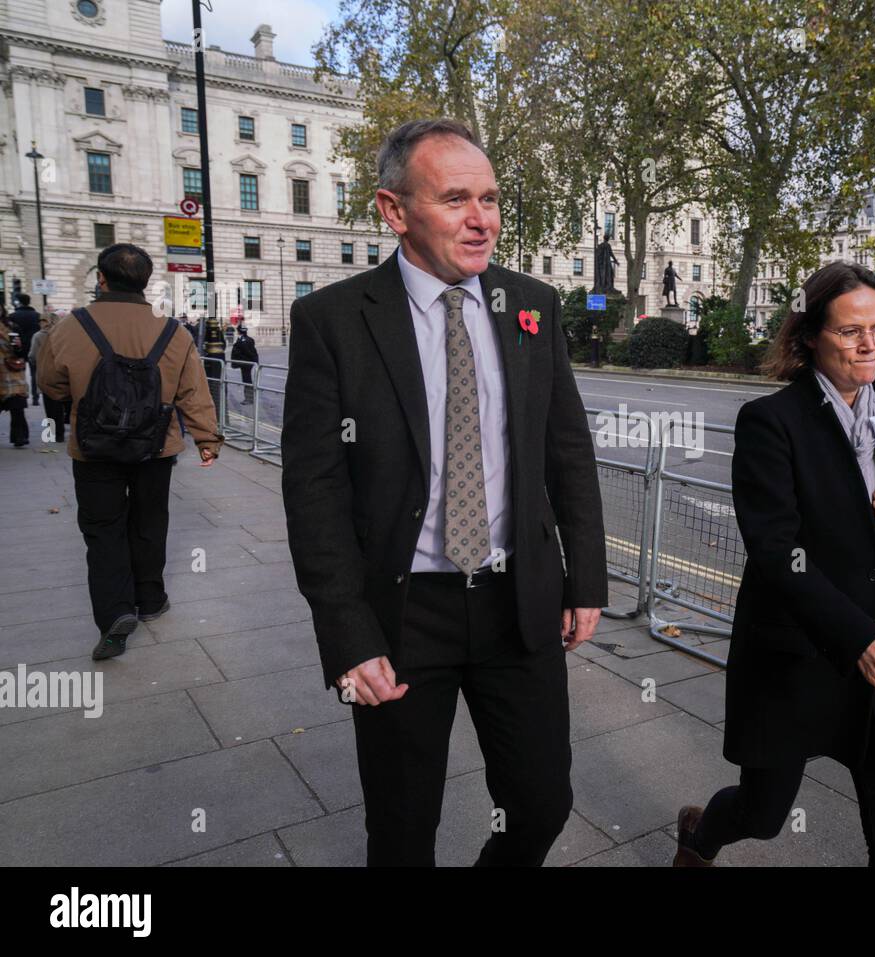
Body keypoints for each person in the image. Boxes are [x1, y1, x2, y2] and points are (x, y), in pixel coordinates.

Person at [281, 118, 608, 867]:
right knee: (401, 828)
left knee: (541, 803)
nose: (481, 218)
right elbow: (315, 489)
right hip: (402, 614)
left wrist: (583, 577)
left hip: (515, 602)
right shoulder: (332, 320)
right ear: (394, 210)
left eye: (490, 198)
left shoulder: (533, 304)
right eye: (456, 198)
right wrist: (346, 634)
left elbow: (567, 450)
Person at [674, 261, 875, 867]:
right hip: (794, 649)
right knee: (763, 814)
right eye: (850, 331)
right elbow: (775, 553)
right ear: (810, 336)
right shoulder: (773, 421)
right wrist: (857, 639)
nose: (869, 344)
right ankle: (701, 833)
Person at [37, 244, 224, 660]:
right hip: (155, 447)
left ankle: (115, 613)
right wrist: (206, 439)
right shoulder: (173, 331)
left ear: (100, 279)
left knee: (103, 529)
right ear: (145, 282)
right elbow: (193, 390)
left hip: (93, 448)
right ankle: (151, 598)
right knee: (150, 520)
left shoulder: (69, 326)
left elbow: (50, 383)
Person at [29, 311, 69, 443]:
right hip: (62, 374)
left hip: (46, 375)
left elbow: (33, 356)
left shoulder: (38, 336)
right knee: (63, 403)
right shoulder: (64, 335)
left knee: (50, 407)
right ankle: (63, 431)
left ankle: (54, 433)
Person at [9, 292, 41, 405]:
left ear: (18, 302)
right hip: (34, 348)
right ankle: (35, 398)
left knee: (19, 374)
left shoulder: (12, 316)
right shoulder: (37, 315)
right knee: (34, 374)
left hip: (18, 349)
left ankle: (21, 396)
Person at [1, 326, 29, 446]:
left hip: (10, 372)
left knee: (17, 405)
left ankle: (19, 436)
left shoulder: (11, 326)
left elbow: (23, 353)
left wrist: (18, 347)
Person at [229, 324, 259, 405]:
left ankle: (249, 399)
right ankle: (249, 398)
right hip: (248, 363)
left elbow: (248, 352)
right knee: (247, 380)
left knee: (247, 381)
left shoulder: (242, 341)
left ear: (239, 331)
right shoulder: (250, 339)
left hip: (246, 363)